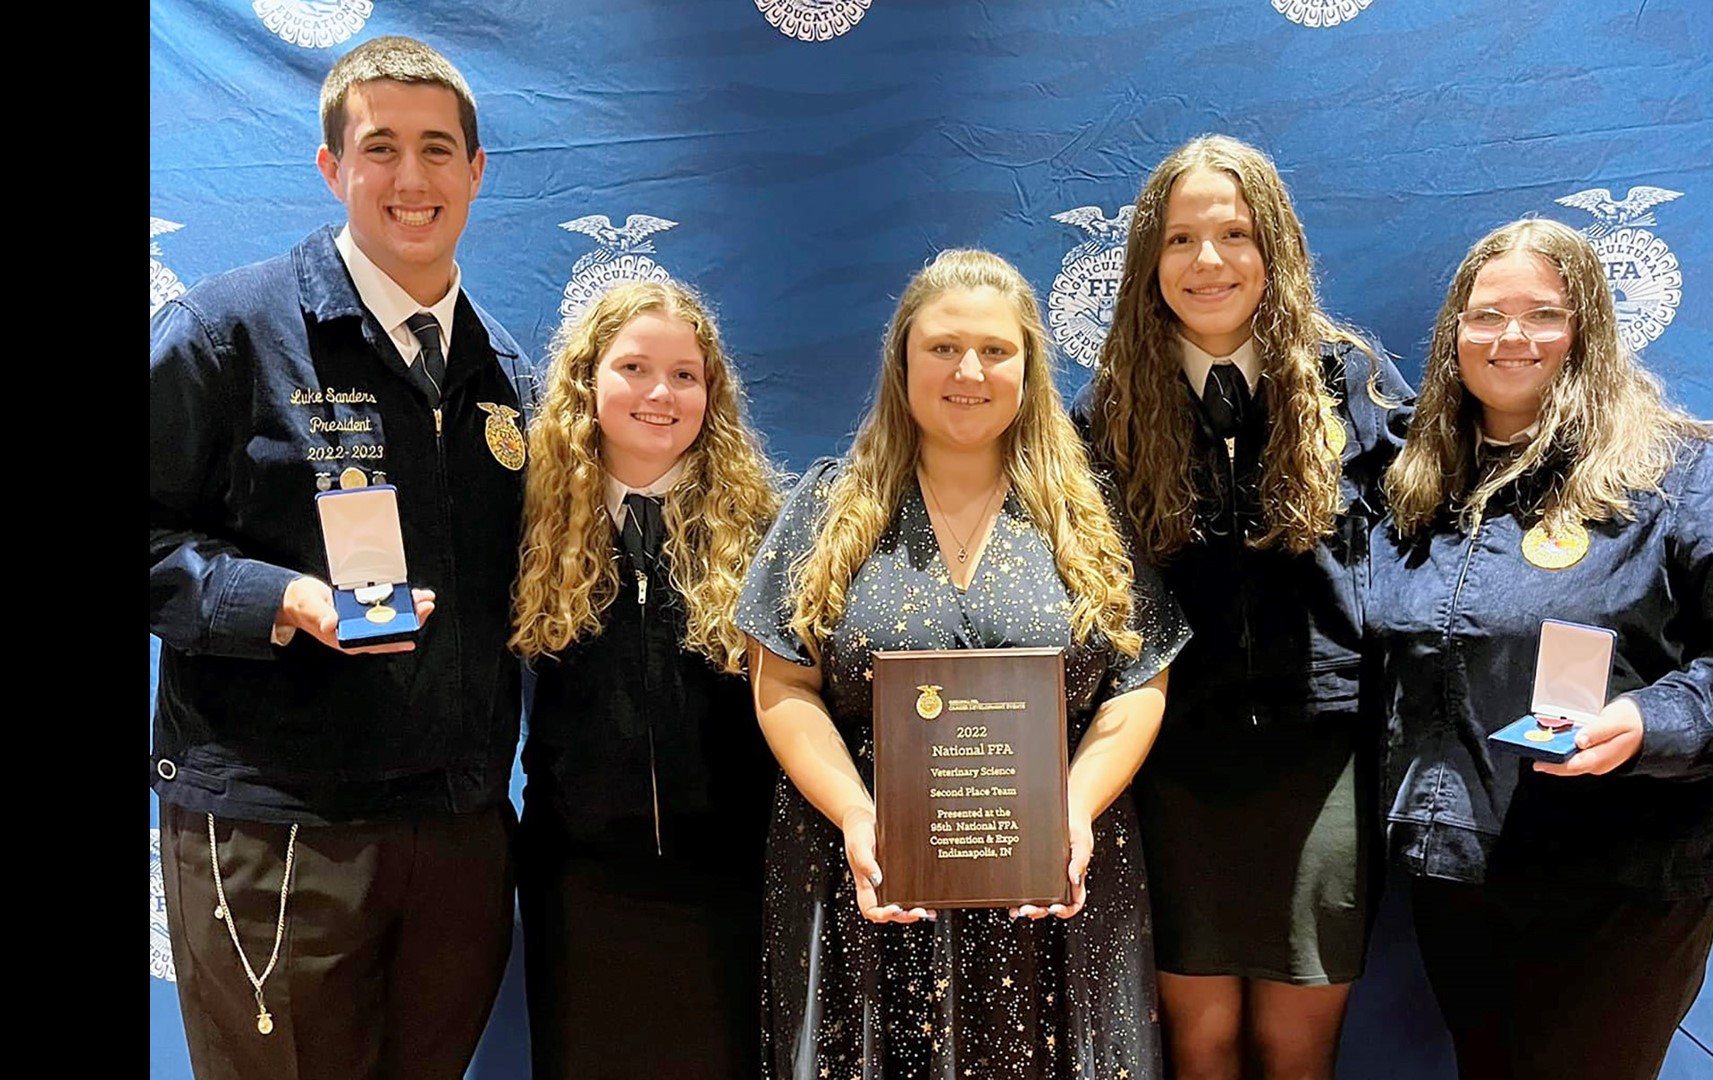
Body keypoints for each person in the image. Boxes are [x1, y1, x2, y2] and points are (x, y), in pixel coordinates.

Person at [149, 36, 532, 1079]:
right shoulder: (227, 332)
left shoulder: (507, 373)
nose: (413, 180)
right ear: (332, 167)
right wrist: (286, 600)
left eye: (439, 150)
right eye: (382, 148)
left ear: (476, 171)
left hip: (457, 830)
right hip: (280, 829)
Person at [734, 248, 1190, 1077]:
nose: (968, 370)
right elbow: (784, 685)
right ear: (903, 360)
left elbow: (1139, 684)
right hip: (868, 890)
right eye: (942, 347)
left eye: (995, 349)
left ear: (1029, 366)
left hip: (1056, 885)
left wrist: (1074, 812)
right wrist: (857, 818)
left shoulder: (1091, 514)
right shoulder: (830, 508)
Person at [1369, 217, 1713, 1080]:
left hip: (1621, 883)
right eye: (1485, 315)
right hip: (1463, 876)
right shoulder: (1416, 481)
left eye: (1544, 313)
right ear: (1453, 336)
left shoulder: (1678, 476)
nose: (1512, 337)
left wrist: (1646, 720)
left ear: (1588, 329)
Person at [1074, 133, 1411, 1080]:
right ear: (1149, 260)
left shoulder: (1354, 384)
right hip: (1172, 767)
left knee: (1299, 1044)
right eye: (1181, 240)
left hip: (1324, 763)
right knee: (1202, 1040)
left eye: (1234, 233)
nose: (1208, 261)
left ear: (1277, 250)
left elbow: (1438, 539)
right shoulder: (1108, 411)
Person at [507, 279, 783, 1077]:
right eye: (634, 368)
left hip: (729, 883)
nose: (661, 393)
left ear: (712, 393)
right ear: (587, 383)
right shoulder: (526, 524)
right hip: (581, 886)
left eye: (686, 374)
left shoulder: (764, 530)